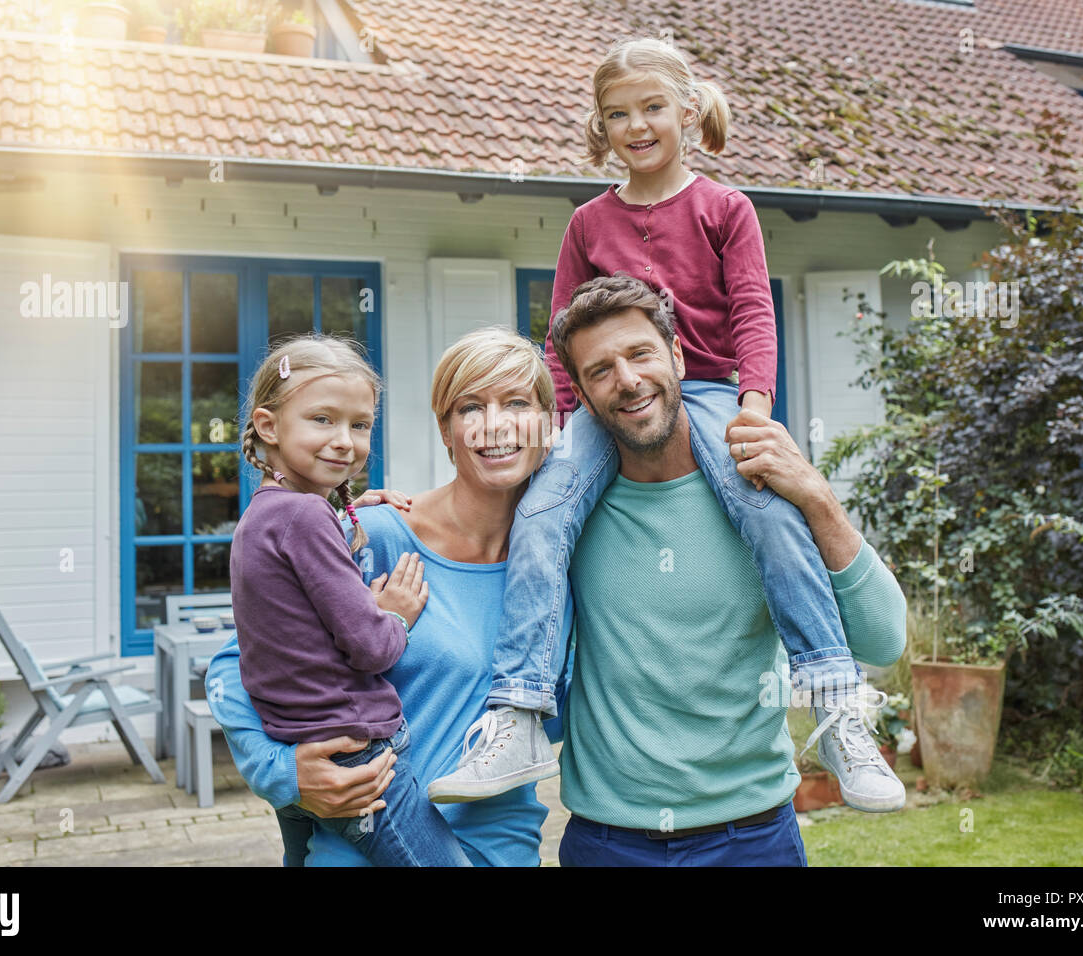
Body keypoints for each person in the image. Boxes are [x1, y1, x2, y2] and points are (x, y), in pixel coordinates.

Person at [429, 36, 905, 814]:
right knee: (543, 515)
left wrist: (755, 404)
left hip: (711, 392)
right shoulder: (588, 221)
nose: (637, 125)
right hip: (599, 406)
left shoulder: (726, 208)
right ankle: (516, 712)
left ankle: (837, 708)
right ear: (601, 127)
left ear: (688, 111)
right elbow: (561, 333)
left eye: (653, 108)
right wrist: (554, 427)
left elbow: (753, 306)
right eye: (618, 114)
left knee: (767, 509)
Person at [548, 276, 909, 865]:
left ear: (679, 356)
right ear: (584, 398)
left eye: (640, 354)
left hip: (751, 838)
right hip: (607, 840)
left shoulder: (762, 498)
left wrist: (818, 497)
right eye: (601, 370)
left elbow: (884, 639)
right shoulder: (565, 513)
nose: (628, 380)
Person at [207, 328, 571, 866]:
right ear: (446, 431)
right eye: (471, 407)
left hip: (499, 853)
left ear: (548, 423)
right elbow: (237, 664)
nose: (496, 426)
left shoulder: (563, 569)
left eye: (517, 403)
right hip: (361, 847)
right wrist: (283, 773)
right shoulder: (373, 535)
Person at [229, 333, 469, 866]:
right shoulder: (306, 516)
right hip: (358, 753)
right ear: (268, 425)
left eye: (359, 425)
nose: (345, 440)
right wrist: (395, 616)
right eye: (322, 419)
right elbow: (370, 649)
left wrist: (343, 519)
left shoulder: (266, 515)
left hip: (298, 743)